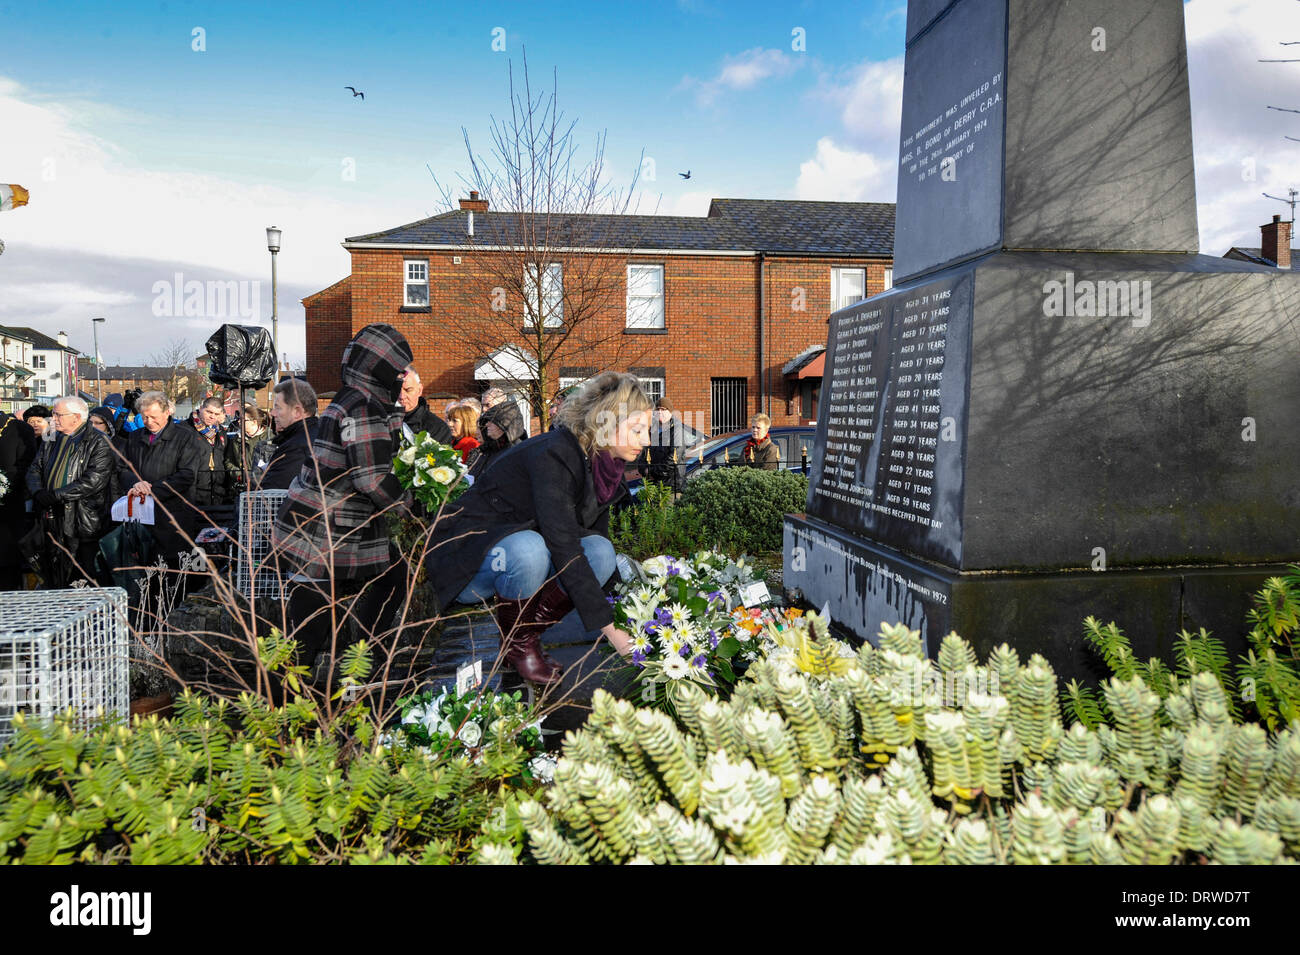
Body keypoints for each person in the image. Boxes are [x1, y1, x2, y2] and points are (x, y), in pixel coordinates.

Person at [425, 371, 651, 686]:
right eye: (638, 430)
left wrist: (629, 611)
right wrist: (613, 632)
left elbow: (592, 542)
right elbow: (563, 544)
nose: (647, 441)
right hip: (469, 563)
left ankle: (522, 640)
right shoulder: (555, 453)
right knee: (529, 548)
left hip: (516, 557)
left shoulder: (605, 469)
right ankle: (521, 644)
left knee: (602, 552)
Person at [273, 324, 412, 677]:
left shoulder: (354, 398)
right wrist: (413, 500)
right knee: (310, 626)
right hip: (326, 531)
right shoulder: (363, 406)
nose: (402, 377)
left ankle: (356, 665)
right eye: (397, 370)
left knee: (389, 576)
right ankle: (291, 706)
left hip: (325, 525)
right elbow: (373, 479)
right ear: (378, 369)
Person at [26, 397, 114, 587]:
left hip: (82, 517)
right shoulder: (51, 437)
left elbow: (94, 480)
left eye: (58, 414)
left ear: (76, 417)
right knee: (55, 573)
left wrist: (57, 495)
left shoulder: (99, 441)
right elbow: (34, 468)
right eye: (53, 414)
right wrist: (38, 492)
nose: (53, 418)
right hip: (50, 517)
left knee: (82, 574)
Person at [117, 391, 205, 570]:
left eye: (154, 417)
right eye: (145, 417)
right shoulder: (135, 437)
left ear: (167, 412)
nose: (149, 422)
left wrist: (152, 490)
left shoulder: (185, 437)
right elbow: (122, 467)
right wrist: (135, 483)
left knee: (171, 570)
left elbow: (186, 475)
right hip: (141, 517)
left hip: (172, 516)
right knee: (143, 567)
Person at [260, 378, 319, 491]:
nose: (272, 413)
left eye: (278, 407)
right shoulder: (313, 435)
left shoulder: (296, 448)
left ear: (297, 411)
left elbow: (270, 494)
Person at [0, 409, 36, 589]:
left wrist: (5, 484)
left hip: (9, 507)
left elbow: (27, 466)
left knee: (7, 562)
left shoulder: (19, 429)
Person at [636, 395, 688, 493]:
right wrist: (644, 470)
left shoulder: (676, 430)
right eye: (658, 409)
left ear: (670, 412)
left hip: (671, 488)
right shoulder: (652, 430)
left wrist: (652, 472)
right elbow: (643, 454)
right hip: (652, 486)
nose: (660, 412)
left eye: (663, 409)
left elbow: (673, 458)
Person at [472, 388, 527, 477]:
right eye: (482, 406)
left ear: (502, 405)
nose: (484, 410)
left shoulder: (513, 447)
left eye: (487, 405)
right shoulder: (490, 443)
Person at [225, 404, 273, 495]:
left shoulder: (270, 438)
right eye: (239, 419)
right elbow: (229, 461)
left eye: (243, 420)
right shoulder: (236, 439)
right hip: (241, 488)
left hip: (263, 489)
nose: (238, 422)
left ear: (254, 422)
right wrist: (240, 475)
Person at [398, 367, 453, 445]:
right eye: (396, 390)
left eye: (408, 390)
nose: (402, 396)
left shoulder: (437, 427)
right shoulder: (381, 421)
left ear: (419, 390)